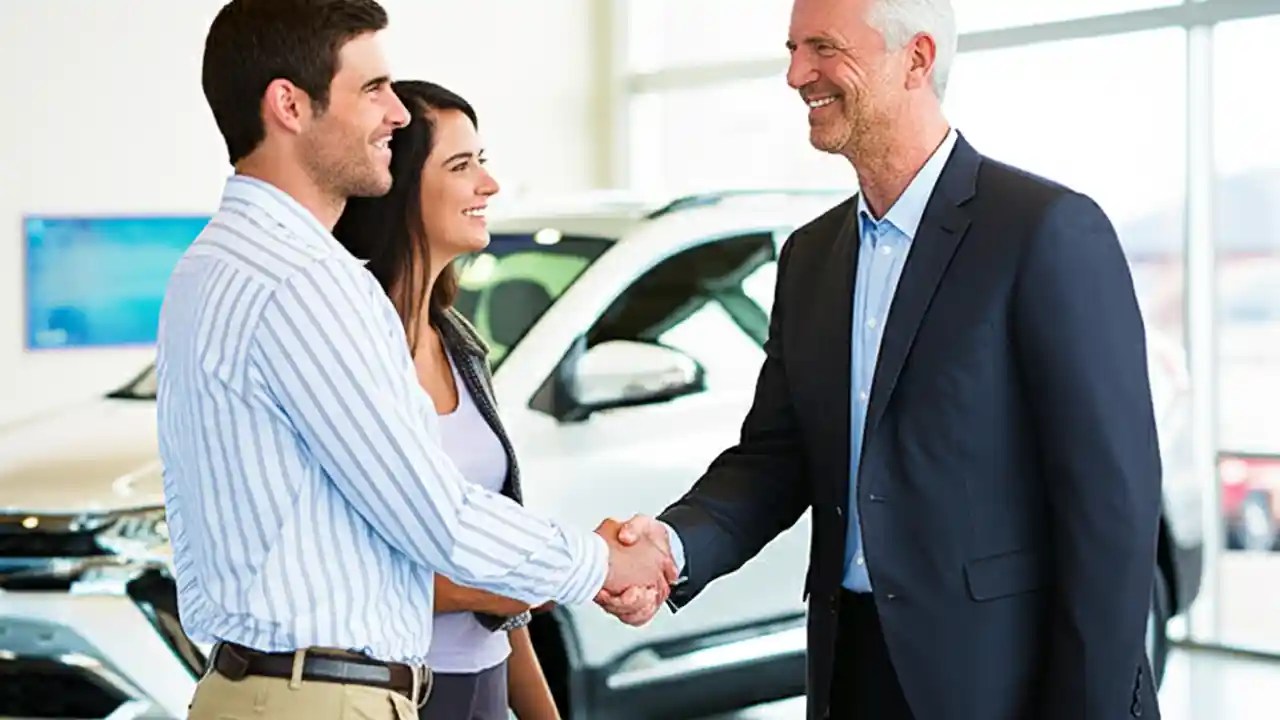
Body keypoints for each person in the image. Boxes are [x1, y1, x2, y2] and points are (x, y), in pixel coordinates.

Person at [598, 0, 1164, 718]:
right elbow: (776, 457)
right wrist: (674, 544)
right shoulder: (810, 255)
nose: (796, 73)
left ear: (917, 59)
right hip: (852, 672)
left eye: (822, 48)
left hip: (1004, 682)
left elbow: (1111, 511)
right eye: (794, 49)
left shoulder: (1045, 231)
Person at [158, 2, 673, 719]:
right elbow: (438, 520)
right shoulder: (306, 279)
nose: (395, 114)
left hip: (268, 690)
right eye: (372, 88)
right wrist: (600, 562)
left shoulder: (212, 264)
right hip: (321, 699)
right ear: (289, 105)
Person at [333, 80, 559, 720]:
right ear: (397, 186)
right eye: (463, 166)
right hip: (385, 690)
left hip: (479, 687)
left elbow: (492, 567)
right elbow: (337, 567)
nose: (488, 185)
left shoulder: (460, 344)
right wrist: (509, 582)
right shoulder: (347, 352)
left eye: (481, 161)